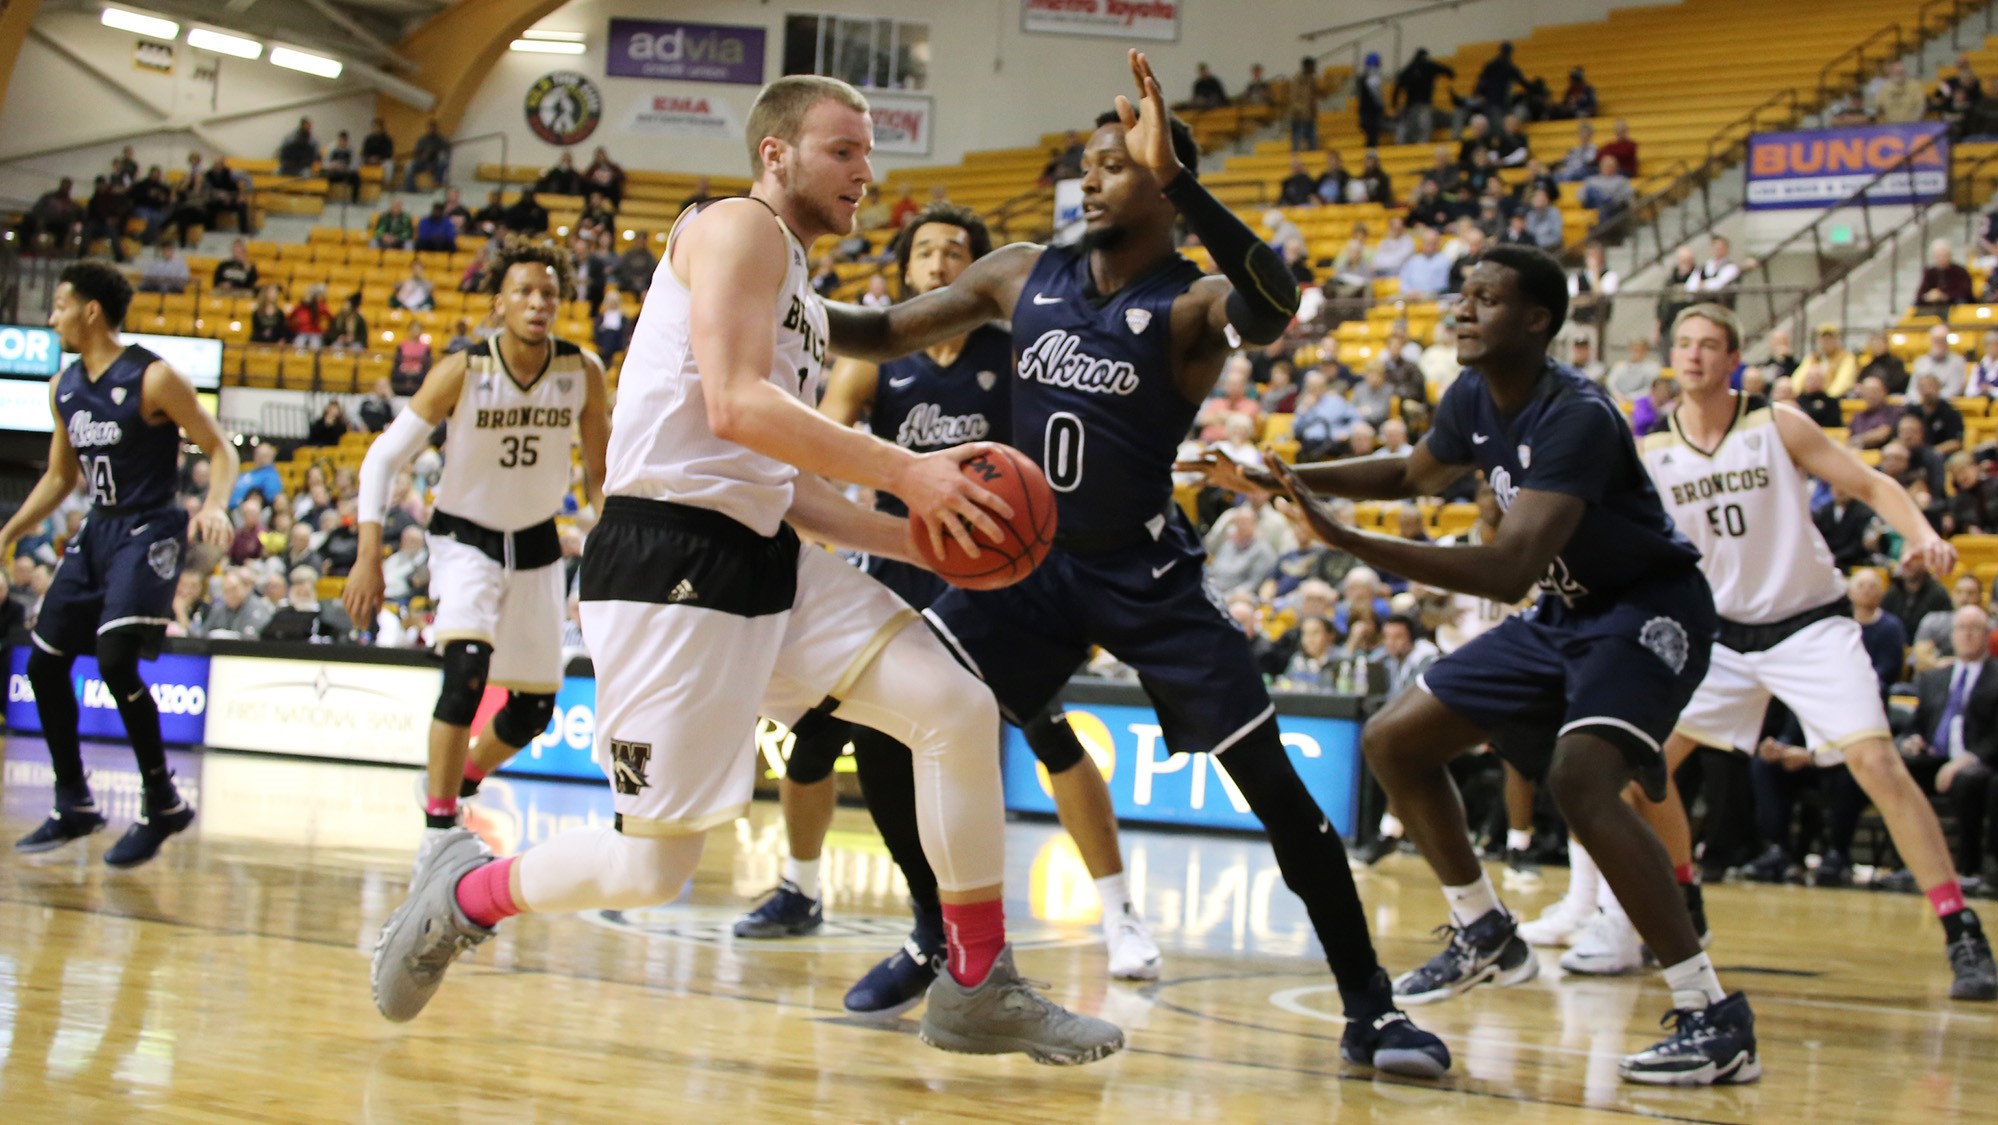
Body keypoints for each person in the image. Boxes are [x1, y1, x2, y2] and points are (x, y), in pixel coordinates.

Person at [364, 74, 1125, 1067]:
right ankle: (462, 896)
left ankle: (978, 982)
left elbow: (771, 469)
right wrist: (909, 475)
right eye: (843, 149)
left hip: (763, 547)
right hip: (668, 557)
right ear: (777, 154)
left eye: (867, 152)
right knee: (654, 868)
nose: (866, 169)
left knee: (954, 706)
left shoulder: (800, 293)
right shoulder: (735, 226)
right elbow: (732, 405)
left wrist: (914, 541)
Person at [833, 53, 1447, 1076]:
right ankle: (943, 938)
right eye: (1086, 162)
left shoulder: (1193, 303)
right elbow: (881, 328)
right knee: (887, 728)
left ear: (1162, 185)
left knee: (1281, 798)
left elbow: (1279, 302)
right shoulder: (1020, 270)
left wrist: (1188, 180)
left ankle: (1370, 1008)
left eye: (1117, 165)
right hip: (1026, 568)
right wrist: (769, 289)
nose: (1091, 177)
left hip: (1141, 571)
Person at [1246, 245, 1757, 1084]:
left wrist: (1346, 538)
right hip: (1564, 609)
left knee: (1582, 780)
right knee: (1395, 740)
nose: (1464, 310)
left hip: (1644, 610)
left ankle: (1711, 1012)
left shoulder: (1579, 416)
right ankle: (1485, 930)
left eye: (1485, 298)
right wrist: (1288, 478)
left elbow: (1509, 567)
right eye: (1463, 295)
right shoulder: (1475, 394)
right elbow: (1415, 472)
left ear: (1538, 320)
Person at [748, 202, 1161, 1003]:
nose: (940, 263)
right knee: (873, 744)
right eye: (927, 252)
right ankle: (926, 924)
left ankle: (1120, 914)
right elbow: (824, 434)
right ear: (905, 272)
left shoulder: (1011, 350)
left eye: (956, 252)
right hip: (902, 561)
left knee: (1046, 729)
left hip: (996, 573)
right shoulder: (876, 366)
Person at [1563, 302, 1998, 1001]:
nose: (1695, 355)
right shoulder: (1652, 454)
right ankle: (1684, 896)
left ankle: (1961, 928)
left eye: (1710, 345)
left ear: (1733, 360)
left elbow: (1871, 483)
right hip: (1719, 636)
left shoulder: (1775, 422)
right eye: (1684, 344)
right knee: (1641, 766)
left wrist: (1918, 529)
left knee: (1877, 762)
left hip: (1807, 624)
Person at [345, 237, 609, 864]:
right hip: (466, 537)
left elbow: (599, 472)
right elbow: (382, 457)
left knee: (533, 710)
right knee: (464, 672)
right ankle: (438, 830)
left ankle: (460, 780)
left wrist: (613, 534)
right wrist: (367, 554)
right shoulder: (464, 368)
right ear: (499, 303)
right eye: (524, 291)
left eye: (549, 292)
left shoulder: (583, 371)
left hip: (540, 544)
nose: (538, 303)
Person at [1, 262, 239, 867]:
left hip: (150, 527)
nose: (51, 316)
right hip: (100, 528)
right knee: (47, 663)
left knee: (113, 659)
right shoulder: (64, 386)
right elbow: (61, 476)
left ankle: (161, 800)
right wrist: (8, 533)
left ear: (90, 311)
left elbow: (218, 446)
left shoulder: (152, 377)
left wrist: (214, 503)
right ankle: (74, 802)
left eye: (59, 305)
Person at [1393, 48, 1455, 145]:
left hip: (1412, 104)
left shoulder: (1410, 68)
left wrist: (1395, 103)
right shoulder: (1429, 66)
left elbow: (1398, 86)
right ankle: (1422, 143)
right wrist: (1451, 74)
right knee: (1423, 124)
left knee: (1412, 125)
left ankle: (1408, 144)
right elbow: (1447, 70)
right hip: (1424, 103)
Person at [1288, 56, 1319, 151]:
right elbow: (1294, 98)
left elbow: (1313, 96)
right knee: (1297, 139)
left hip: (1310, 115)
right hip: (1299, 115)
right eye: (1313, 66)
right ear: (1308, 67)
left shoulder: (1311, 80)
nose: (1315, 69)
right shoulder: (1297, 80)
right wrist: (1301, 111)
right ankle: (1295, 158)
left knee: (1312, 140)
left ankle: (1313, 157)